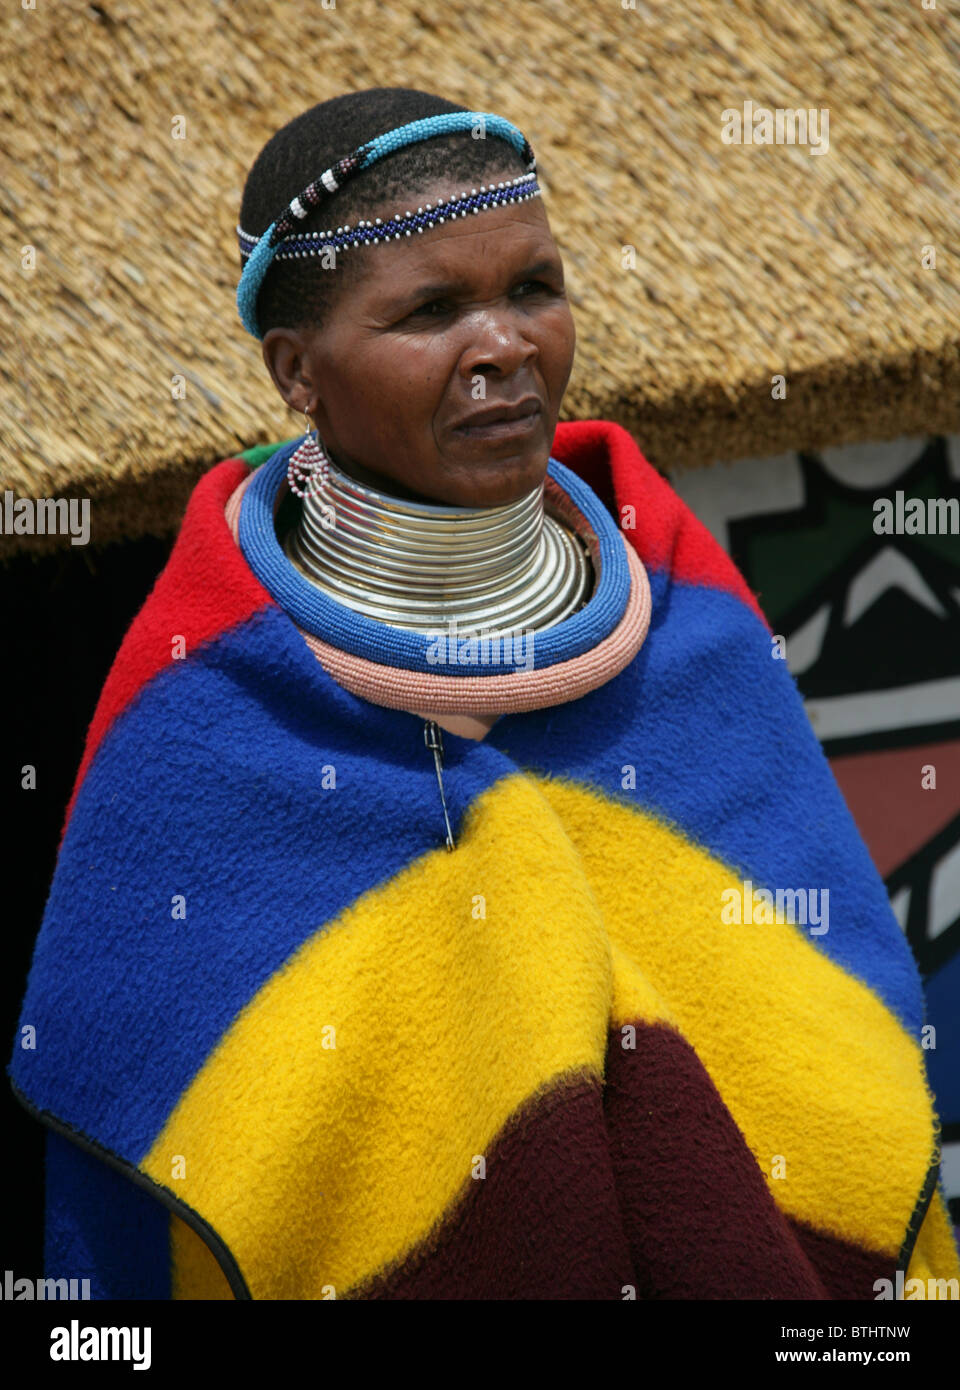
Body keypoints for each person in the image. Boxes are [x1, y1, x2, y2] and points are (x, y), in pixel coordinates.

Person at [8, 87, 958, 1301]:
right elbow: (145, 1130)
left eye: (534, 288)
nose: (505, 345)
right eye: (431, 310)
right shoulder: (201, 716)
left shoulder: (688, 622)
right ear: (297, 370)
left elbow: (834, 1034)